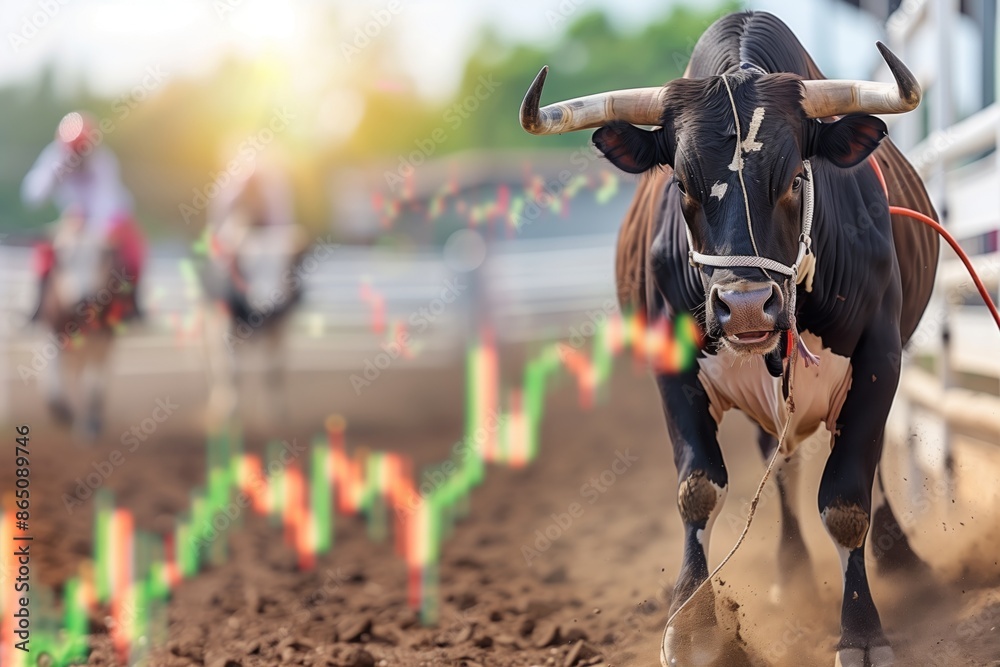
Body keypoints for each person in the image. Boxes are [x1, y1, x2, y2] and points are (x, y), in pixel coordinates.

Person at [22, 111, 146, 323]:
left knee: (132, 251)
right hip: (74, 218)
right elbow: (32, 195)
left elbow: (105, 203)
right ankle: (38, 307)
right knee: (46, 251)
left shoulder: (103, 162)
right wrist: (54, 174)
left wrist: (95, 230)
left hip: (111, 217)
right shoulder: (55, 158)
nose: (77, 157)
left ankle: (133, 307)